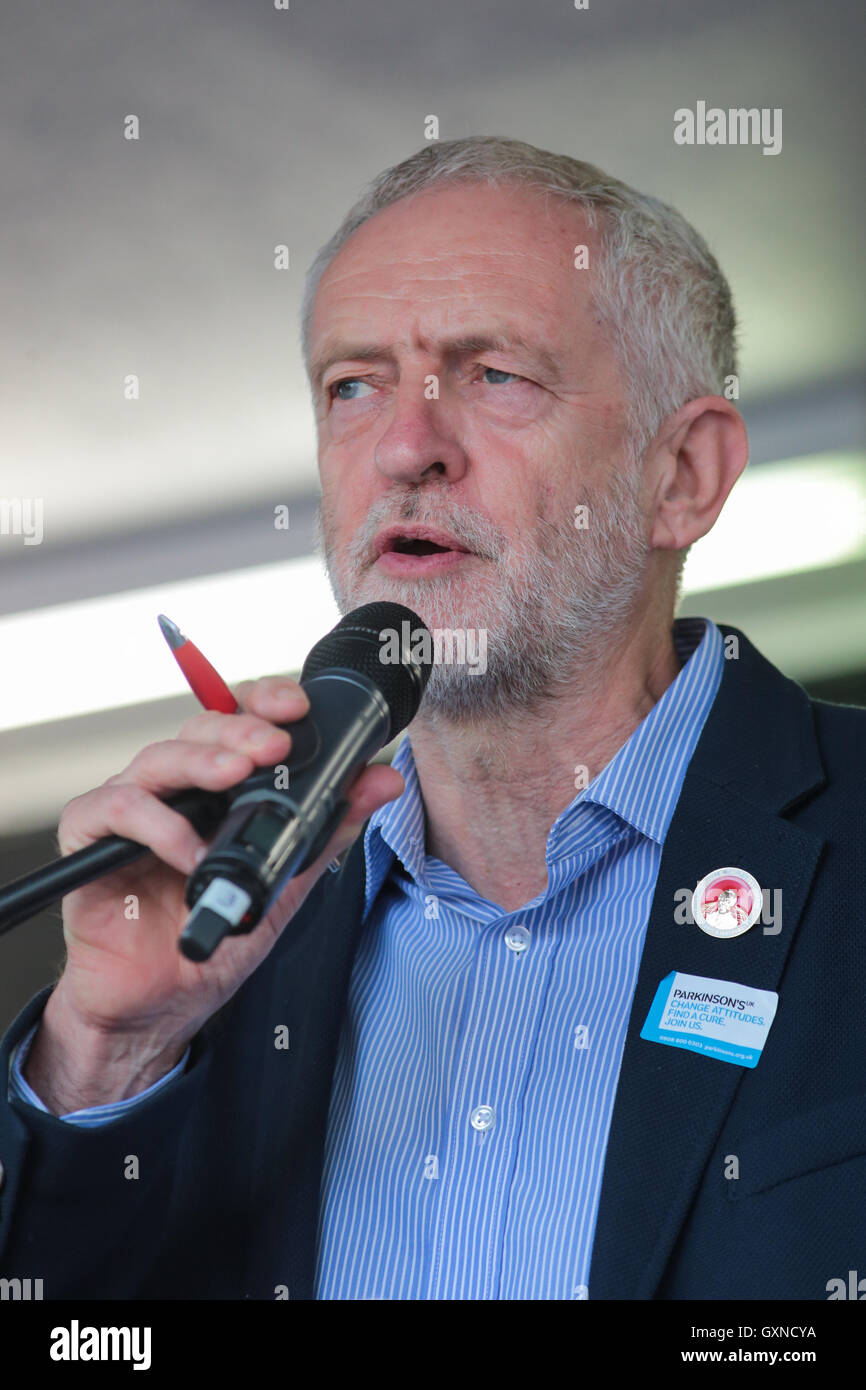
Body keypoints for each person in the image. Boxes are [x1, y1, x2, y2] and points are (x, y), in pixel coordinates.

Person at [1, 136, 864, 1301]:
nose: (403, 447)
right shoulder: (223, 917)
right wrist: (106, 1055)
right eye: (352, 385)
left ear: (682, 475)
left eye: (494, 374)